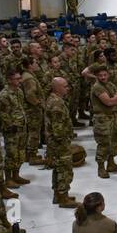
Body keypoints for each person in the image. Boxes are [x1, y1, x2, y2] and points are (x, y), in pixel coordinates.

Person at [45, 77, 77, 209]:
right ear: (57, 88)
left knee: (58, 169)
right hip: (60, 143)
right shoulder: (56, 103)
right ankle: (63, 197)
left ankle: (59, 194)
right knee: (64, 169)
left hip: (55, 142)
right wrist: (65, 141)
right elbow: (58, 130)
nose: (67, 88)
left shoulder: (53, 100)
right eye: (65, 86)